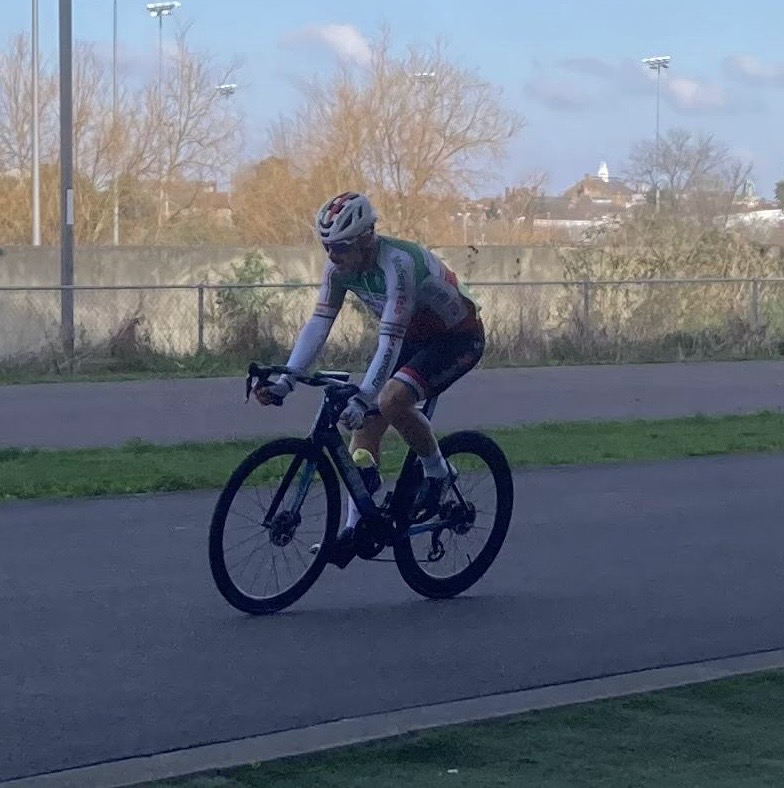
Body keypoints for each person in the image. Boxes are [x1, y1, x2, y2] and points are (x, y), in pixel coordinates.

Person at [255, 191, 485, 566]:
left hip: (456, 337)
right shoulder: (338, 269)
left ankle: (438, 473)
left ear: (367, 239)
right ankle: (353, 529)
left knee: (389, 400)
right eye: (326, 246)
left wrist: (365, 398)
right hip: (414, 338)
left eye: (341, 247)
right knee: (363, 432)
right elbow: (318, 324)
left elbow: (389, 340)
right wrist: (286, 381)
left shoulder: (399, 264)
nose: (333, 256)